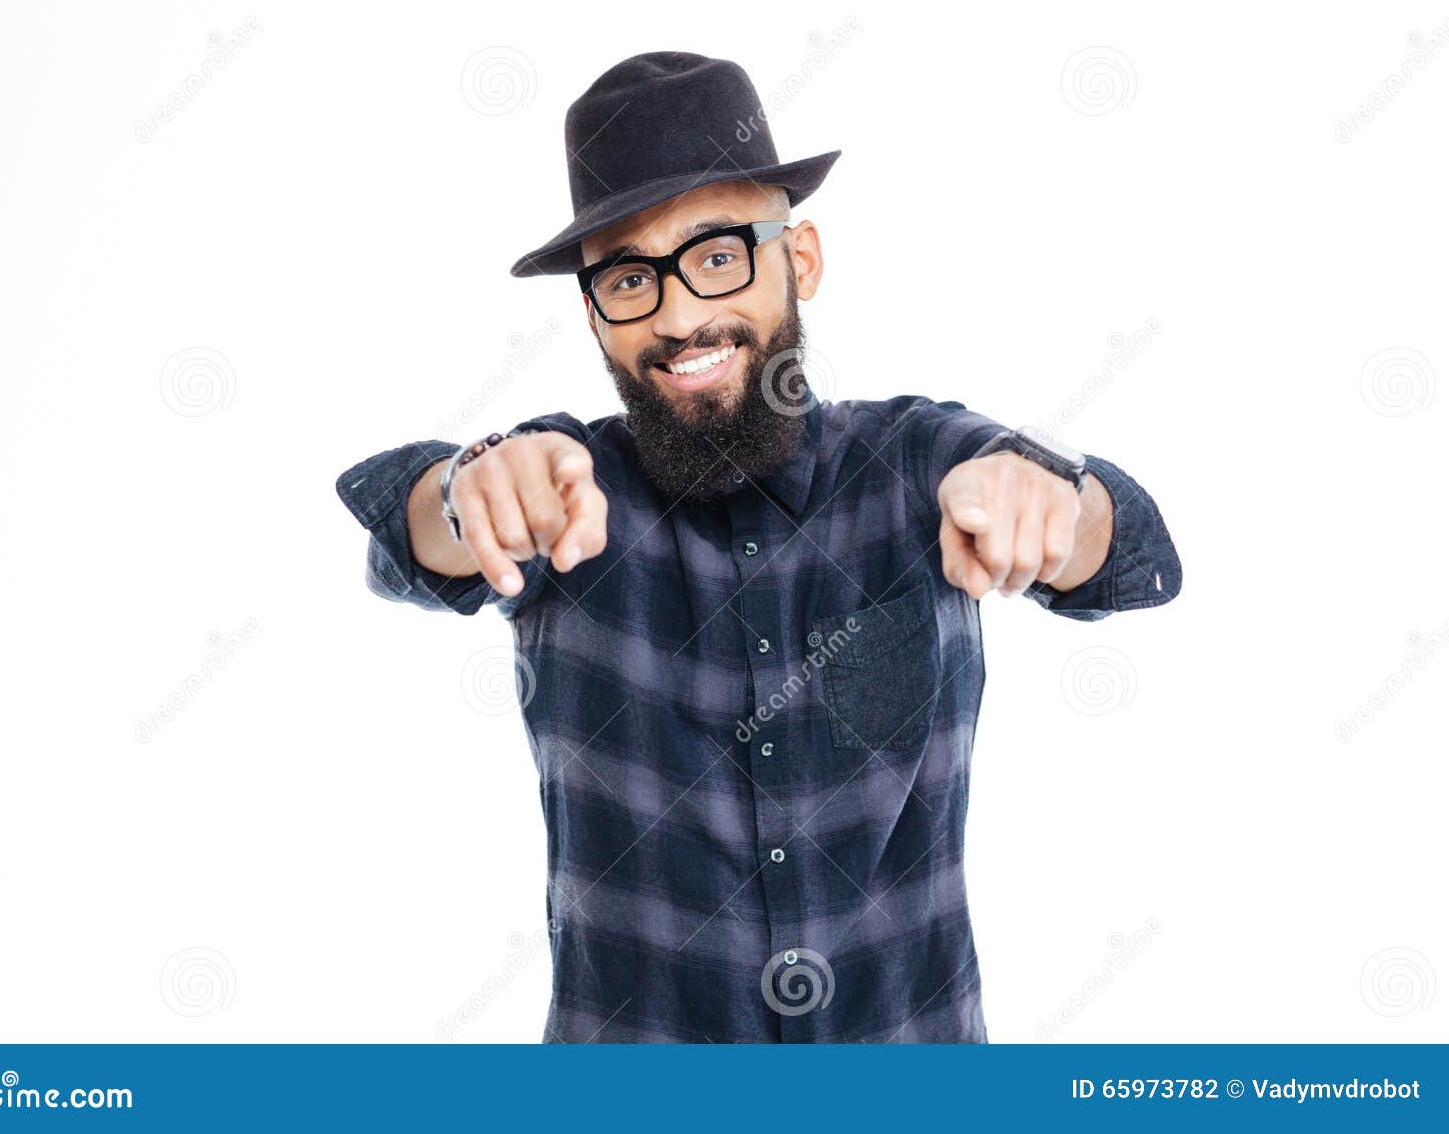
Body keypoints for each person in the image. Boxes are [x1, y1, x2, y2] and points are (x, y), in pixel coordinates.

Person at [335, 51, 1182, 1042]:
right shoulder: (559, 493)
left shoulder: (916, 461)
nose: (680, 314)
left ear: (801, 258)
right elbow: (407, 545)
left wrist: (1055, 498)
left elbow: (1136, 559)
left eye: (718, 254)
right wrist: (465, 483)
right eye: (627, 276)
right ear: (594, 313)